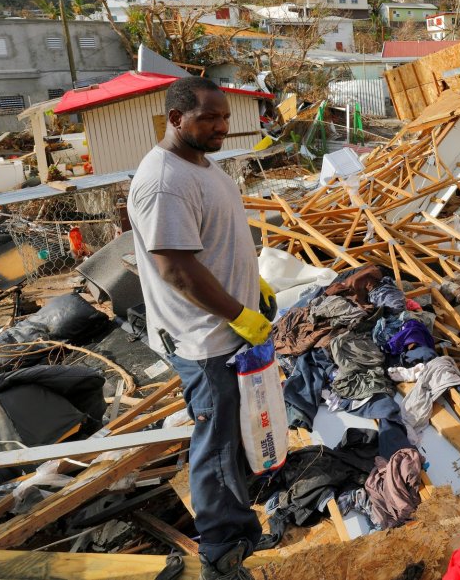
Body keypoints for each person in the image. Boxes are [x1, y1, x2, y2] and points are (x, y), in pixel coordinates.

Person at [128, 76, 270, 580]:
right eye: (209, 117)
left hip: (228, 328)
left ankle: (240, 525)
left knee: (233, 433)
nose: (221, 126)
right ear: (176, 118)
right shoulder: (165, 180)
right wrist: (239, 313)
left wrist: (256, 285)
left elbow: (217, 240)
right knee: (216, 443)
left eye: (225, 117)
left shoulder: (203, 166)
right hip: (203, 337)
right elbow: (177, 268)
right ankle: (221, 551)